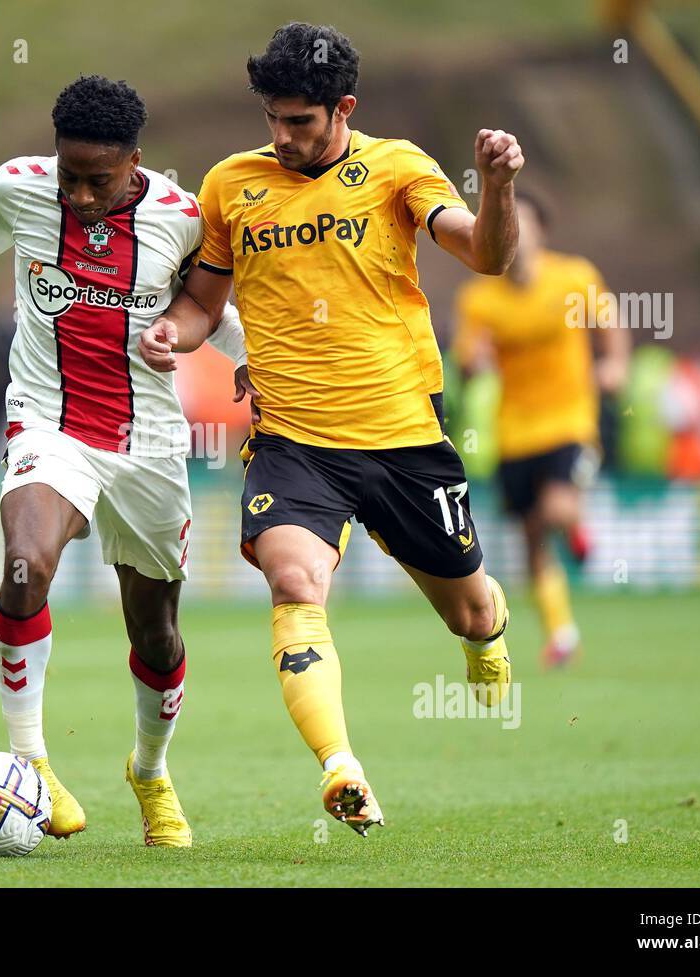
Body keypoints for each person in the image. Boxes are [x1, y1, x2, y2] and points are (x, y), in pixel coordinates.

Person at [0, 76, 249, 849]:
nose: (82, 194)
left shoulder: (184, 216)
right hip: (48, 420)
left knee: (157, 631)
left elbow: (212, 309)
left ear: (137, 162)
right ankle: (31, 762)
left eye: (100, 179)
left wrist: (250, 360)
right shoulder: (20, 190)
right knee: (26, 563)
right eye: (70, 175)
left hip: (149, 443)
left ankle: (151, 770)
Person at [139, 22, 521, 835]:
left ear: (343, 108)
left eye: (300, 122)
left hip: (404, 438)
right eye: (272, 119)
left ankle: (488, 636)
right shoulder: (231, 185)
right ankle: (341, 766)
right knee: (293, 583)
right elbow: (206, 303)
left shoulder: (398, 168)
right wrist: (173, 332)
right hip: (294, 442)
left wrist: (496, 188)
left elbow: (485, 256)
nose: (281, 137)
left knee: (470, 611)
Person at [454, 192, 629, 667]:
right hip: (514, 433)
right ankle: (562, 632)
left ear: (540, 232)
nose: (514, 231)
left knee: (555, 510)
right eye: (505, 223)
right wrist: (476, 363)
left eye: (522, 222)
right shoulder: (480, 298)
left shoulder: (574, 277)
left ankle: (574, 525)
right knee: (532, 538)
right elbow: (468, 361)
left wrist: (614, 365)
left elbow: (610, 329)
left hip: (570, 421)